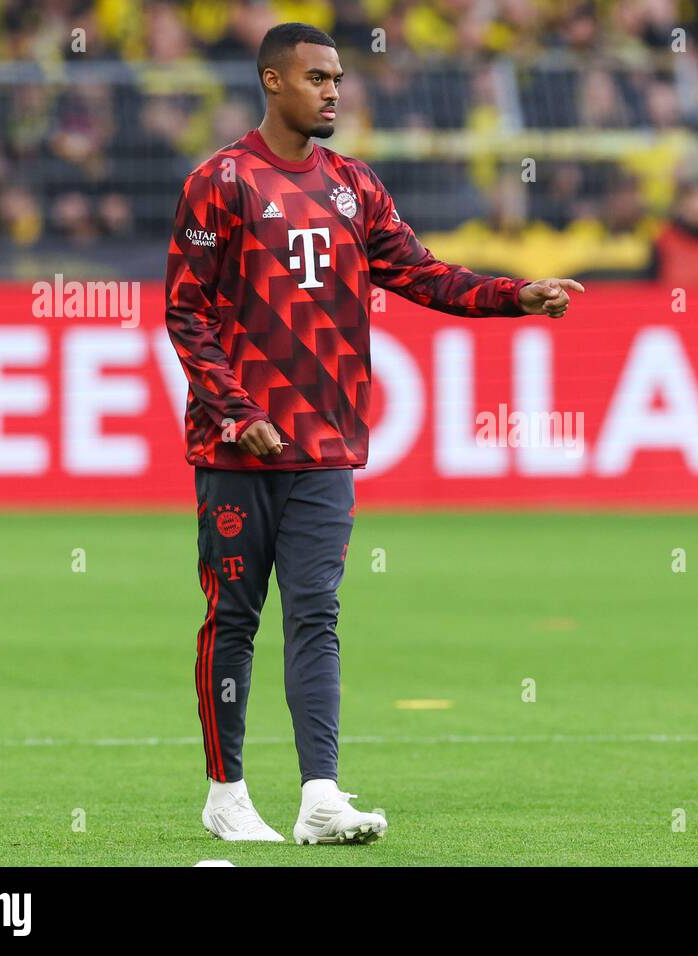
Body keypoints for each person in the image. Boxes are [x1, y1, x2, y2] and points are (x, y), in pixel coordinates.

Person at [165, 22, 584, 843]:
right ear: (272, 81)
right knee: (236, 619)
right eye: (316, 77)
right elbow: (186, 310)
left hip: (325, 443)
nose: (332, 90)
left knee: (316, 613)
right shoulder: (220, 181)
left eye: (337, 77)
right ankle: (226, 792)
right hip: (237, 451)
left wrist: (514, 296)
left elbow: (422, 272)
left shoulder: (354, 185)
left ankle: (320, 794)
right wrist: (236, 411)